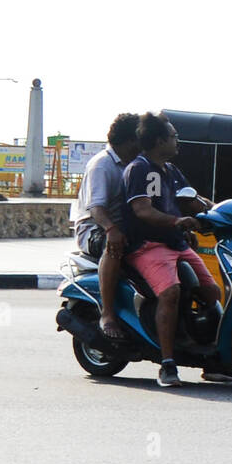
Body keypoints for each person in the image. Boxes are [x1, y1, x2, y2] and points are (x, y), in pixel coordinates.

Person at [122, 112, 232, 387]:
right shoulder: (140, 169)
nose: (178, 141)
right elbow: (142, 209)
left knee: (212, 291)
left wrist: (222, 212)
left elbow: (192, 199)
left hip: (176, 243)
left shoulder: (170, 170)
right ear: (158, 141)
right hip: (148, 246)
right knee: (170, 293)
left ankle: (213, 360)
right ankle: (167, 364)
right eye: (173, 136)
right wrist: (177, 221)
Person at [70, 113, 141, 340]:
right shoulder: (103, 165)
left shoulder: (137, 164)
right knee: (114, 246)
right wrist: (111, 230)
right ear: (130, 140)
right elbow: (96, 209)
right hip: (94, 229)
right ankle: (107, 313)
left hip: (125, 226)